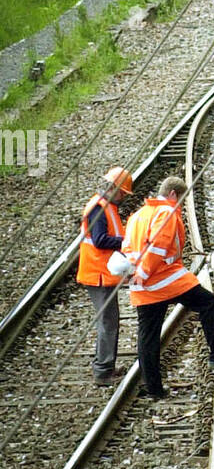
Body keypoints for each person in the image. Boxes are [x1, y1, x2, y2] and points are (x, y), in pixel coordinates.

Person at [121, 175, 214, 400]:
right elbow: (158, 249)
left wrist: (134, 276)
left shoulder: (137, 216)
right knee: (208, 303)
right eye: (182, 198)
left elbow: (127, 249)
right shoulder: (166, 212)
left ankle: (154, 389)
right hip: (164, 279)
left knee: (147, 335)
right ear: (173, 194)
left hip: (142, 285)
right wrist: (144, 273)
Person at [77, 166, 133, 387]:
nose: (123, 197)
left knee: (109, 321)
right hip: (97, 274)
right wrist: (127, 243)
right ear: (114, 188)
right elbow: (100, 240)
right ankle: (103, 371)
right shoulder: (98, 209)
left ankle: (105, 365)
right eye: (122, 193)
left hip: (102, 273)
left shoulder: (104, 207)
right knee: (108, 323)